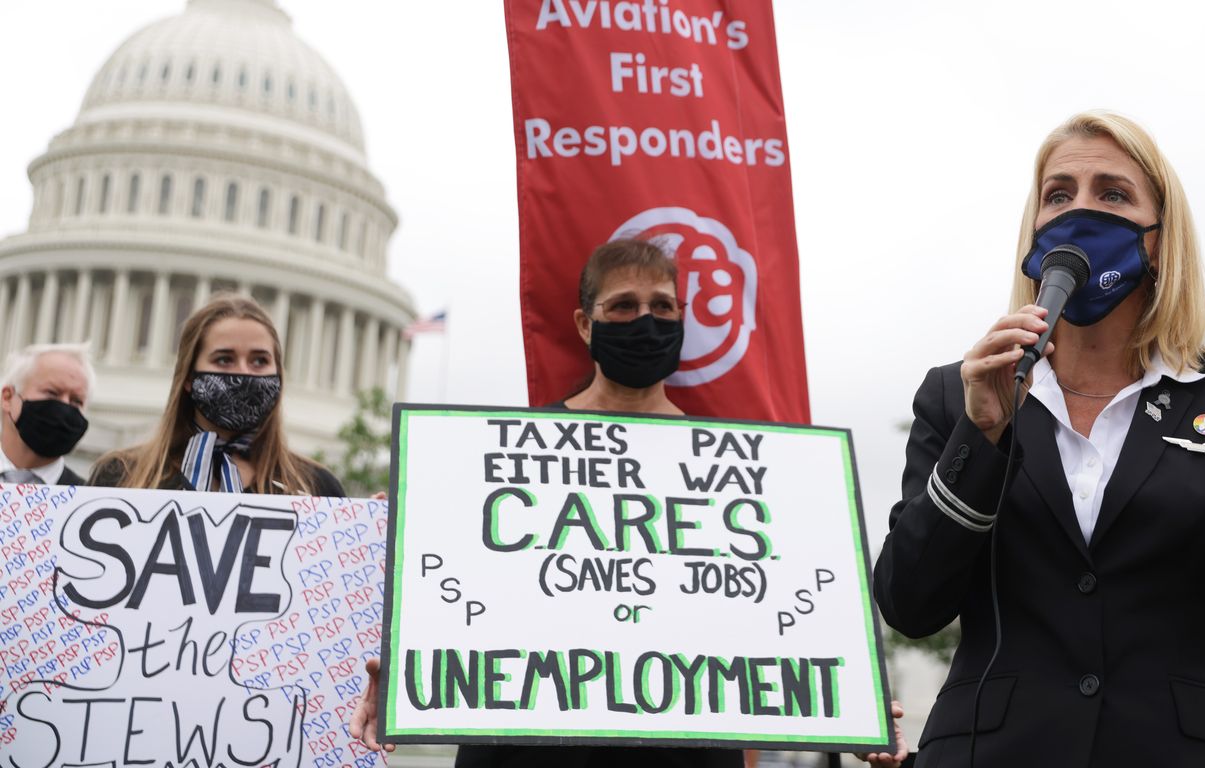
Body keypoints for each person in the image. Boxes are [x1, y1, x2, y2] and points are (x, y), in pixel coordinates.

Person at [872, 110, 1205, 767]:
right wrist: (981, 434)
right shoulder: (960, 393)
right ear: (1034, 231)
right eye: (1059, 194)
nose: (1080, 211)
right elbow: (909, 604)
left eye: (1113, 194)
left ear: (1157, 239)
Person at [350, 239, 748, 767]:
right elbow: (453, 596)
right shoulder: (502, 454)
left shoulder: (739, 470)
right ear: (586, 325)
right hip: (524, 749)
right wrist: (401, 671)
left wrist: (856, 708)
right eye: (624, 306)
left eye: (662, 306)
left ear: (682, 316)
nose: (646, 320)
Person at [88, 293, 342, 497]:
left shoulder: (316, 489)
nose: (243, 373)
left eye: (259, 361)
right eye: (224, 359)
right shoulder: (120, 477)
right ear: (189, 377)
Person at [0, 342, 94, 485]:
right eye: (52, 393)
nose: (64, 406)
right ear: (8, 397)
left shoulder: (91, 501)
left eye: (76, 401)